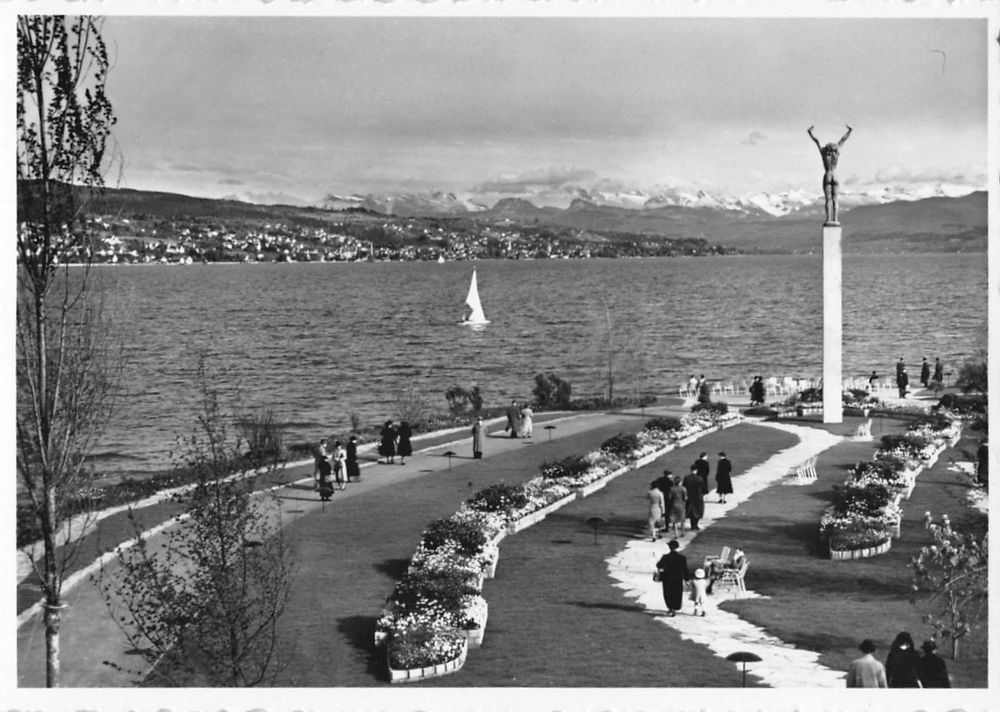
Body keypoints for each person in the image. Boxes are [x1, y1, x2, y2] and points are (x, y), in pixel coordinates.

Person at [807, 124, 853, 225]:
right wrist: (849, 131)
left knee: (828, 199)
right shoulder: (837, 152)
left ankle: (828, 219)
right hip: (835, 175)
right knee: (835, 199)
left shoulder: (823, 152)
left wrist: (810, 132)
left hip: (827, 174)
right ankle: (835, 219)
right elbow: (843, 139)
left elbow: (817, 141)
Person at [655, 539, 690, 617]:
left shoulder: (666, 557)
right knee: (677, 593)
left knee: (668, 593)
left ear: (669, 547)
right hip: (678, 578)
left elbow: (658, 565)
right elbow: (685, 569)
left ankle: (671, 608)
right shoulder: (682, 558)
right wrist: (687, 579)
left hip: (667, 578)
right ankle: (675, 607)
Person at [683, 465, 707, 531]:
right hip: (698, 496)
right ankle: (695, 524)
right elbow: (703, 488)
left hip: (690, 496)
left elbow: (684, 487)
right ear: (696, 470)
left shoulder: (687, 478)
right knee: (698, 511)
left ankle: (692, 525)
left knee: (691, 511)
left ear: (691, 470)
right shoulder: (700, 478)